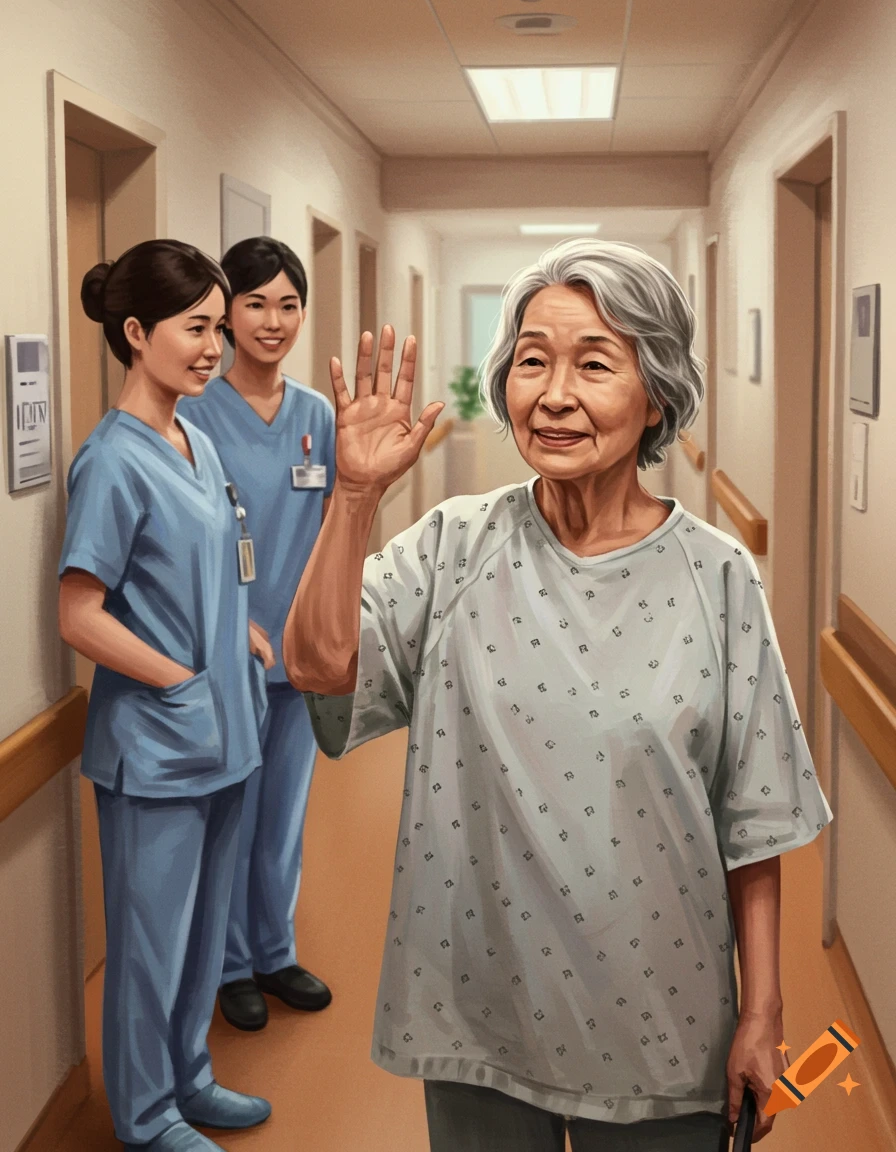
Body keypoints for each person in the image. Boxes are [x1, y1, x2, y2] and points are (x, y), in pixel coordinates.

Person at [282, 239, 833, 1151]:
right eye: (531, 360)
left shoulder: (717, 574)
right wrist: (352, 498)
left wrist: (763, 1011)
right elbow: (318, 665)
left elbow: (756, 817)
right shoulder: (454, 545)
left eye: (594, 363)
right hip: (479, 1009)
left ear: (655, 391)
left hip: (664, 1020)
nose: (554, 394)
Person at [58, 240, 274, 1152]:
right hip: (158, 746)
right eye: (197, 329)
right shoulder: (111, 460)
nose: (214, 347)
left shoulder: (197, 436)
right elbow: (79, 615)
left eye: (219, 329)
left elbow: (219, 559)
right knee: (148, 947)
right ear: (137, 332)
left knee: (199, 934)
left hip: (229, 733)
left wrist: (245, 628)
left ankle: (191, 1078)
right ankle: (146, 1118)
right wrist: (182, 677)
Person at [178, 236, 334, 1032]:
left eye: (289, 304)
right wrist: (230, 627)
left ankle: (275, 949)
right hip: (227, 649)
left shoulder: (318, 417)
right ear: (226, 314)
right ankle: (230, 964)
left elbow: (342, 529)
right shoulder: (193, 413)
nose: (273, 321)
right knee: (230, 815)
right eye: (255, 304)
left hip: (299, 656)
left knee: (283, 816)